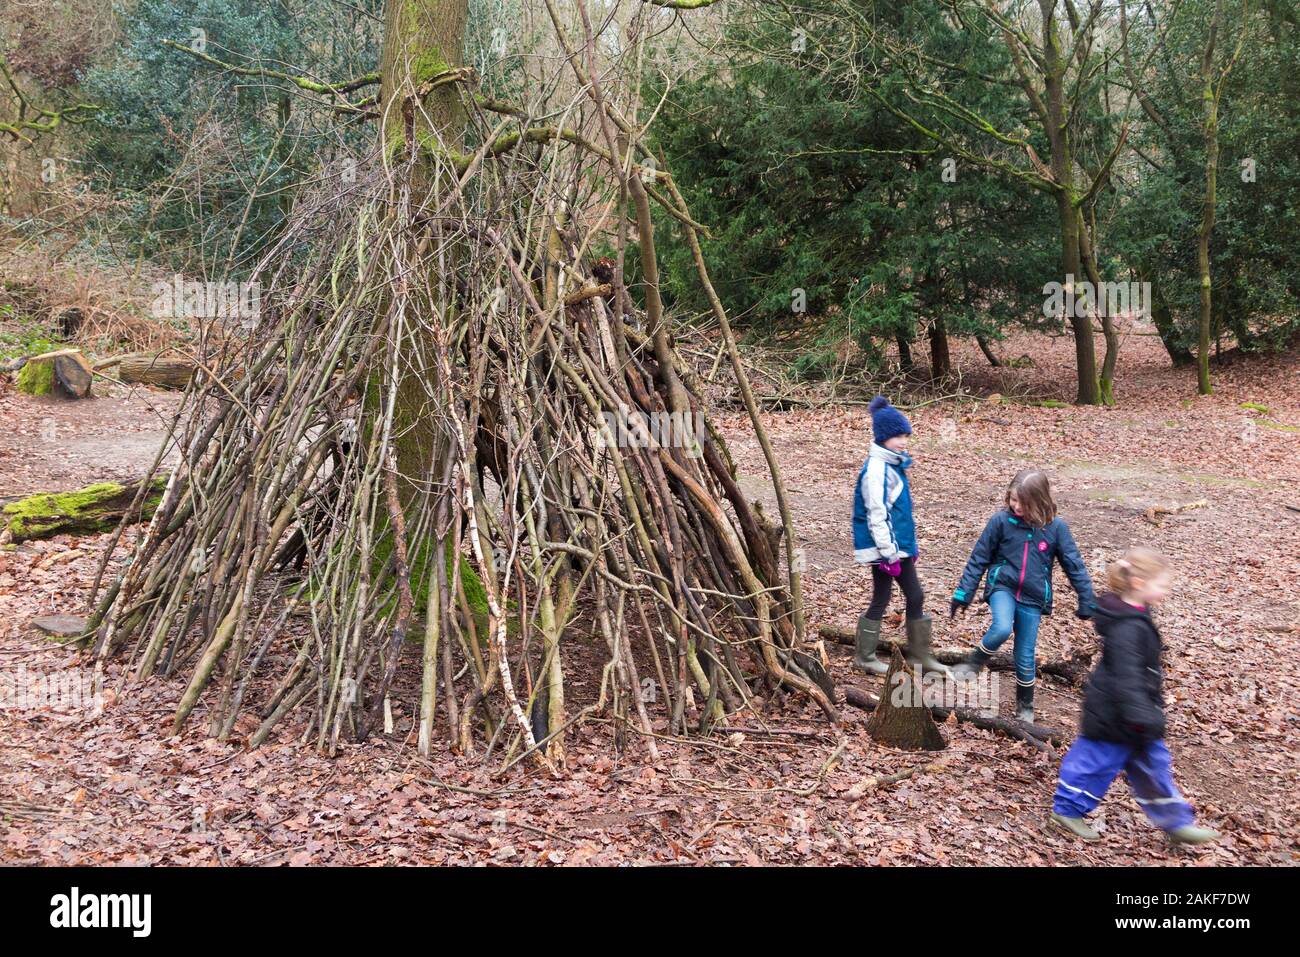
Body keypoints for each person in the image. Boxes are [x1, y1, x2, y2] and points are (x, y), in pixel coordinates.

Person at [1050, 547, 1220, 845]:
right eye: (1162, 585)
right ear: (1140, 584)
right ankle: (1066, 811)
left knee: (1155, 768)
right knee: (1094, 764)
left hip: (1137, 715)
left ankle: (1176, 823)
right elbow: (1126, 677)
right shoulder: (1126, 627)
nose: (1166, 592)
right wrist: (1141, 716)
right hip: (1116, 716)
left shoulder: (1135, 613)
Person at [950, 469, 1095, 721]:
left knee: (1025, 656)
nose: (1015, 506)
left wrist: (1086, 597)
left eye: (1022, 502)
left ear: (1039, 502)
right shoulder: (1001, 522)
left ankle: (1025, 708)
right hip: (1002, 587)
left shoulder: (1056, 529)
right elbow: (979, 557)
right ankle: (973, 663)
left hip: (1033, 597)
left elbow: (1074, 564)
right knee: (1002, 628)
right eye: (1012, 499)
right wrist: (964, 591)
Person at [851, 396, 946, 676]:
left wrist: (908, 547)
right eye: (897, 436)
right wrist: (890, 552)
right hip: (885, 549)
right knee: (908, 595)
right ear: (883, 437)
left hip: (896, 547)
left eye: (905, 435)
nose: (903, 441)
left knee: (890, 595)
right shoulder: (877, 470)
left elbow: (900, 515)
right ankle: (871, 656)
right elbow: (876, 514)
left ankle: (912, 656)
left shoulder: (891, 465)